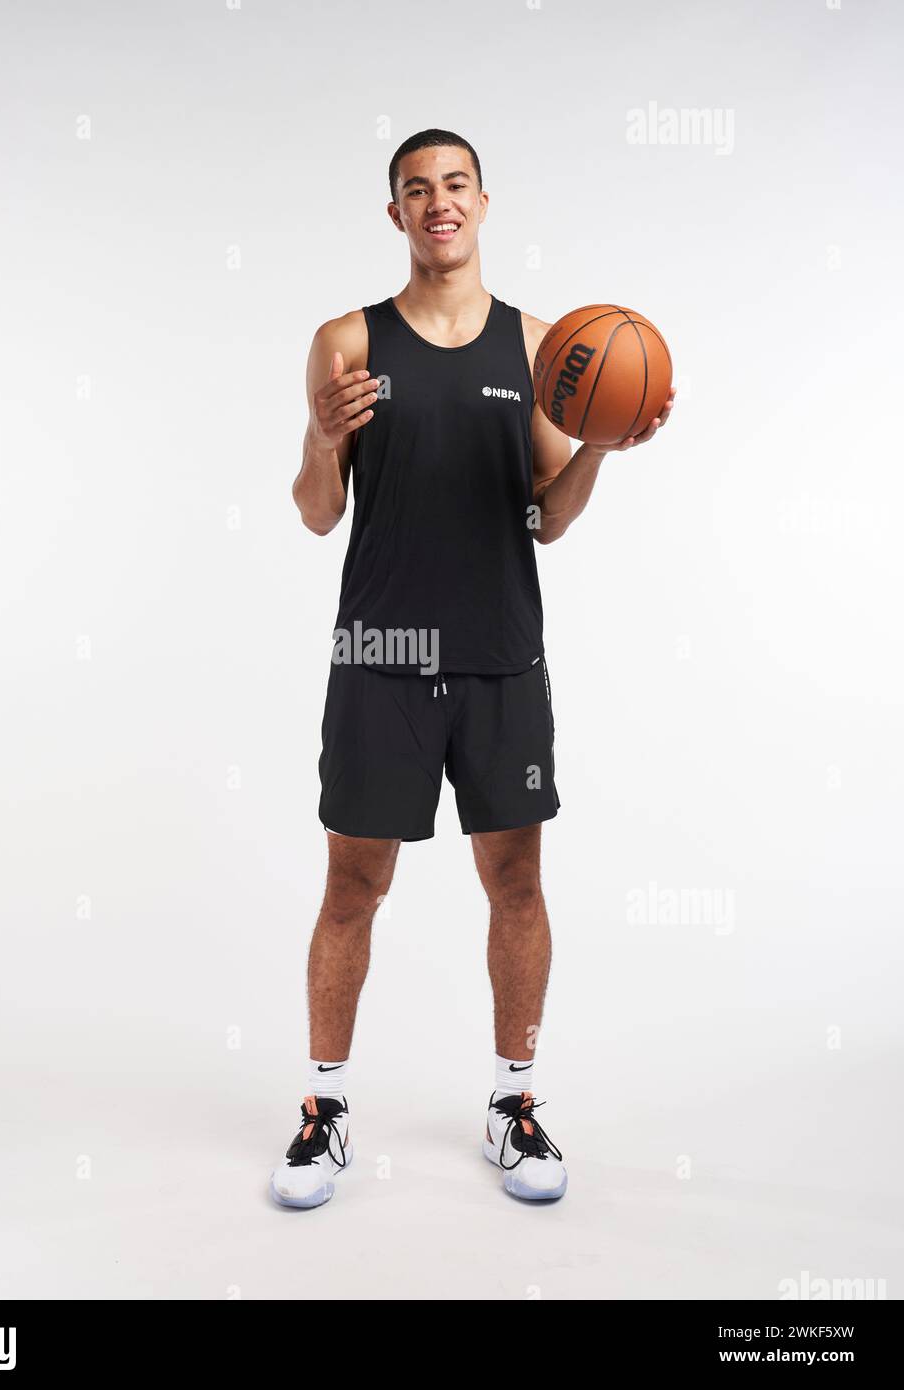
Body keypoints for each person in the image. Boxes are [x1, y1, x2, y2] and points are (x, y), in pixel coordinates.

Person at [271, 128, 674, 1209]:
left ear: (483, 202)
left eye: (454, 185)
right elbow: (317, 516)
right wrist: (319, 440)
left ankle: (513, 1103)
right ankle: (323, 1110)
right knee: (352, 886)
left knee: (517, 885)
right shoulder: (345, 342)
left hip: (500, 656)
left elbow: (545, 519)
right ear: (394, 213)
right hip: (380, 657)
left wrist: (598, 441)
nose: (437, 203)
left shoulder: (549, 351)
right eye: (416, 189)